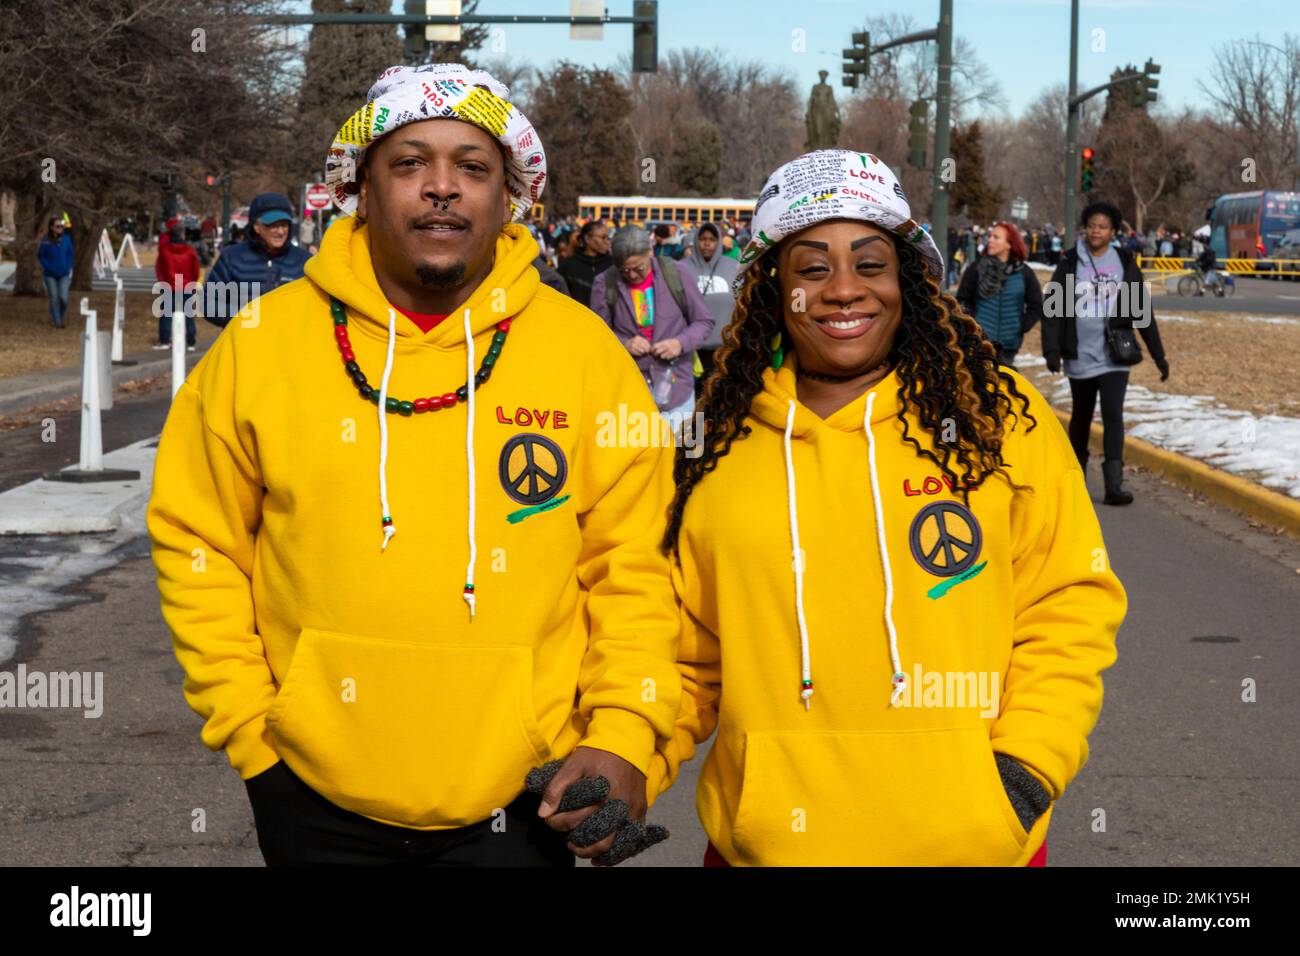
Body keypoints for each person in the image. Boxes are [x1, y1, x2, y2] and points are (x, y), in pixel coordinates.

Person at [147, 63, 681, 868]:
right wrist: (255, 738)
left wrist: (625, 734)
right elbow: (200, 546)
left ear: (510, 196)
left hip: (524, 802)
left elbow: (635, 569)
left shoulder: (584, 357)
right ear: (363, 185)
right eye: (409, 163)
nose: (441, 188)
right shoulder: (262, 345)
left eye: (472, 166)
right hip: (309, 800)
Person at [646, 149, 1126, 866]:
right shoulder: (716, 447)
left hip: (979, 846)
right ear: (776, 291)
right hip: (767, 849)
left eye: (871, 264)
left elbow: (1067, 609)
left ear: (907, 279)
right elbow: (686, 658)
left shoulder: (1001, 421)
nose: (845, 290)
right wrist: (628, 756)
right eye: (812, 268)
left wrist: (1027, 767)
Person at [1043, 201, 1170, 505]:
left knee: (1113, 413)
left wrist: (1159, 356)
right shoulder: (1071, 261)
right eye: (1091, 226)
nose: (1095, 231)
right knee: (1081, 417)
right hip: (1080, 354)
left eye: (1102, 227)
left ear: (1113, 231)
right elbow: (1053, 310)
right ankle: (1076, 484)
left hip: (1116, 355)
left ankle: (1115, 484)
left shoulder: (1124, 263)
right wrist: (1052, 350)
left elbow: (1142, 312)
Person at [590, 226, 715, 436]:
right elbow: (597, 335)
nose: (632, 275)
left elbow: (704, 321)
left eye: (638, 267)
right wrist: (625, 343)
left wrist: (680, 343)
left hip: (677, 389)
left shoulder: (677, 273)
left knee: (682, 456)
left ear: (650, 252)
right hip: (630, 390)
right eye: (624, 270)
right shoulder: (605, 283)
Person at [202, 192, 312, 329]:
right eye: (273, 225)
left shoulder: (305, 262)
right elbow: (208, 303)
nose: (281, 231)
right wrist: (249, 318)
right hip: (244, 343)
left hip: (290, 345)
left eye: (284, 225)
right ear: (256, 227)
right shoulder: (231, 257)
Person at [955, 221, 1044, 366]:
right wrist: (972, 324)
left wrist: (1020, 326)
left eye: (996, 237)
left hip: (1008, 346)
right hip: (978, 344)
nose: (990, 240)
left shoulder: (1024, 272)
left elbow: (1036, 305)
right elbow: (962, 301)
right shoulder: (976, 268)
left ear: (1009, 244)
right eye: (990, 236)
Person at [683, 221, 739, 387]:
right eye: (703, 239)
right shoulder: (682, 268)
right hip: (692, 352)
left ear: (719, 241)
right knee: (695, 404)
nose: (707, 243)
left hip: (724, 350)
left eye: (712, 239)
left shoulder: (732, 267)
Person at [153, 217, 200, 350]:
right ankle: (191, 341)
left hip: (169, 283)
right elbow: (195, 269)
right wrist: (192, 281)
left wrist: (162, 281)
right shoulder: (190, 250)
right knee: (189, 313)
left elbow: (160, 267)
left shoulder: (164, 250)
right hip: (186, 284)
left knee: (166, 313)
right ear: (182, 233)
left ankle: (164, 340)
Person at [555, 219, 611, 308]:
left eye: (608, 238)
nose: (607, 242)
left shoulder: (613, 265)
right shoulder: (568, 266)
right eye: (603, 237)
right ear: (587, 238)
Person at [37, 216, 74, 328]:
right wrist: (48, 267)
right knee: (54, 297)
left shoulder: (67, 239)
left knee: (64, 298)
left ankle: (59, 316)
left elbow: (70, 254)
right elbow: (41, 256)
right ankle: (57, 322)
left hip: (64, 274)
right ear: (52, 227)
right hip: (50, 275)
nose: (61, 228)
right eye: (58, 226)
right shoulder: (46, 241)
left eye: (62, 226)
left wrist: (67, 267)